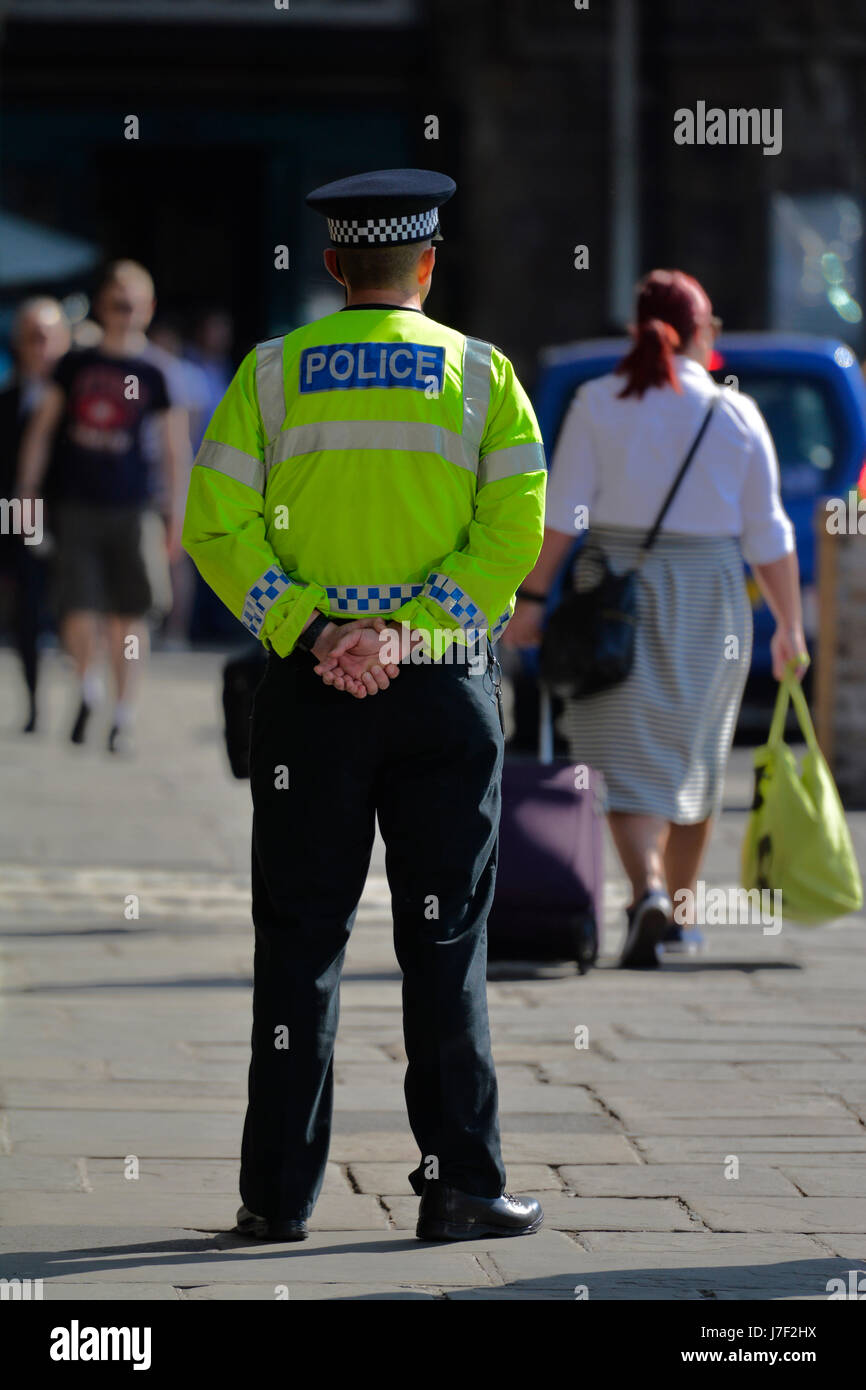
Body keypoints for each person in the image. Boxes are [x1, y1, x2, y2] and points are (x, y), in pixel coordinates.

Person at [182, 168, 548, 1243]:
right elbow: (511, 529)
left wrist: (315, 628)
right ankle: (458, 1186)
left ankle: (276, 1195)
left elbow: (215, 527)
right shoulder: (482, 376)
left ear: (334, 266)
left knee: (298, 943)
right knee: (444, 943)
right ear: (426, 265)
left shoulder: (270, 373)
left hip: (310, 698)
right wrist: (408, 628)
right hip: (441, 692)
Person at [504, 269, 806, 968]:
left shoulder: (598, 400)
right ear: (701, 332)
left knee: (620, 756)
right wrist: (789, 625)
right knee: (695, 755)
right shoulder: (735, 414)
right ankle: (678, 911)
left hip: (611, 591)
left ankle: (646, 892)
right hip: (710, 597)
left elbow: (563, 513)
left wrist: (535, 600)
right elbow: (769, 533)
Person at [18, 260, 188, 753]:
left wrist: (177, 514)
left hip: (133, 508)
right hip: (78, 506)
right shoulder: (75, 364)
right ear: (102, 304)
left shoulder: (157, 369)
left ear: (149, 309)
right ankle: (89, 688)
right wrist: (26, 492)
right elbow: (43, 429)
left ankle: (122, 713)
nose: (123, 310)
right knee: (77, 608)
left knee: (129, 616)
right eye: (116, 301)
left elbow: (175, 448)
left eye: (132, 302)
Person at [0, 297, 71, 731]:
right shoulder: (6, 400)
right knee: (24, 604)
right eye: (31, 337)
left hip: (76, 515)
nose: (39, 347)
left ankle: (91, 699)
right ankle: (33, 705)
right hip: (18, 513)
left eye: (47, 337)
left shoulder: (81, 397)